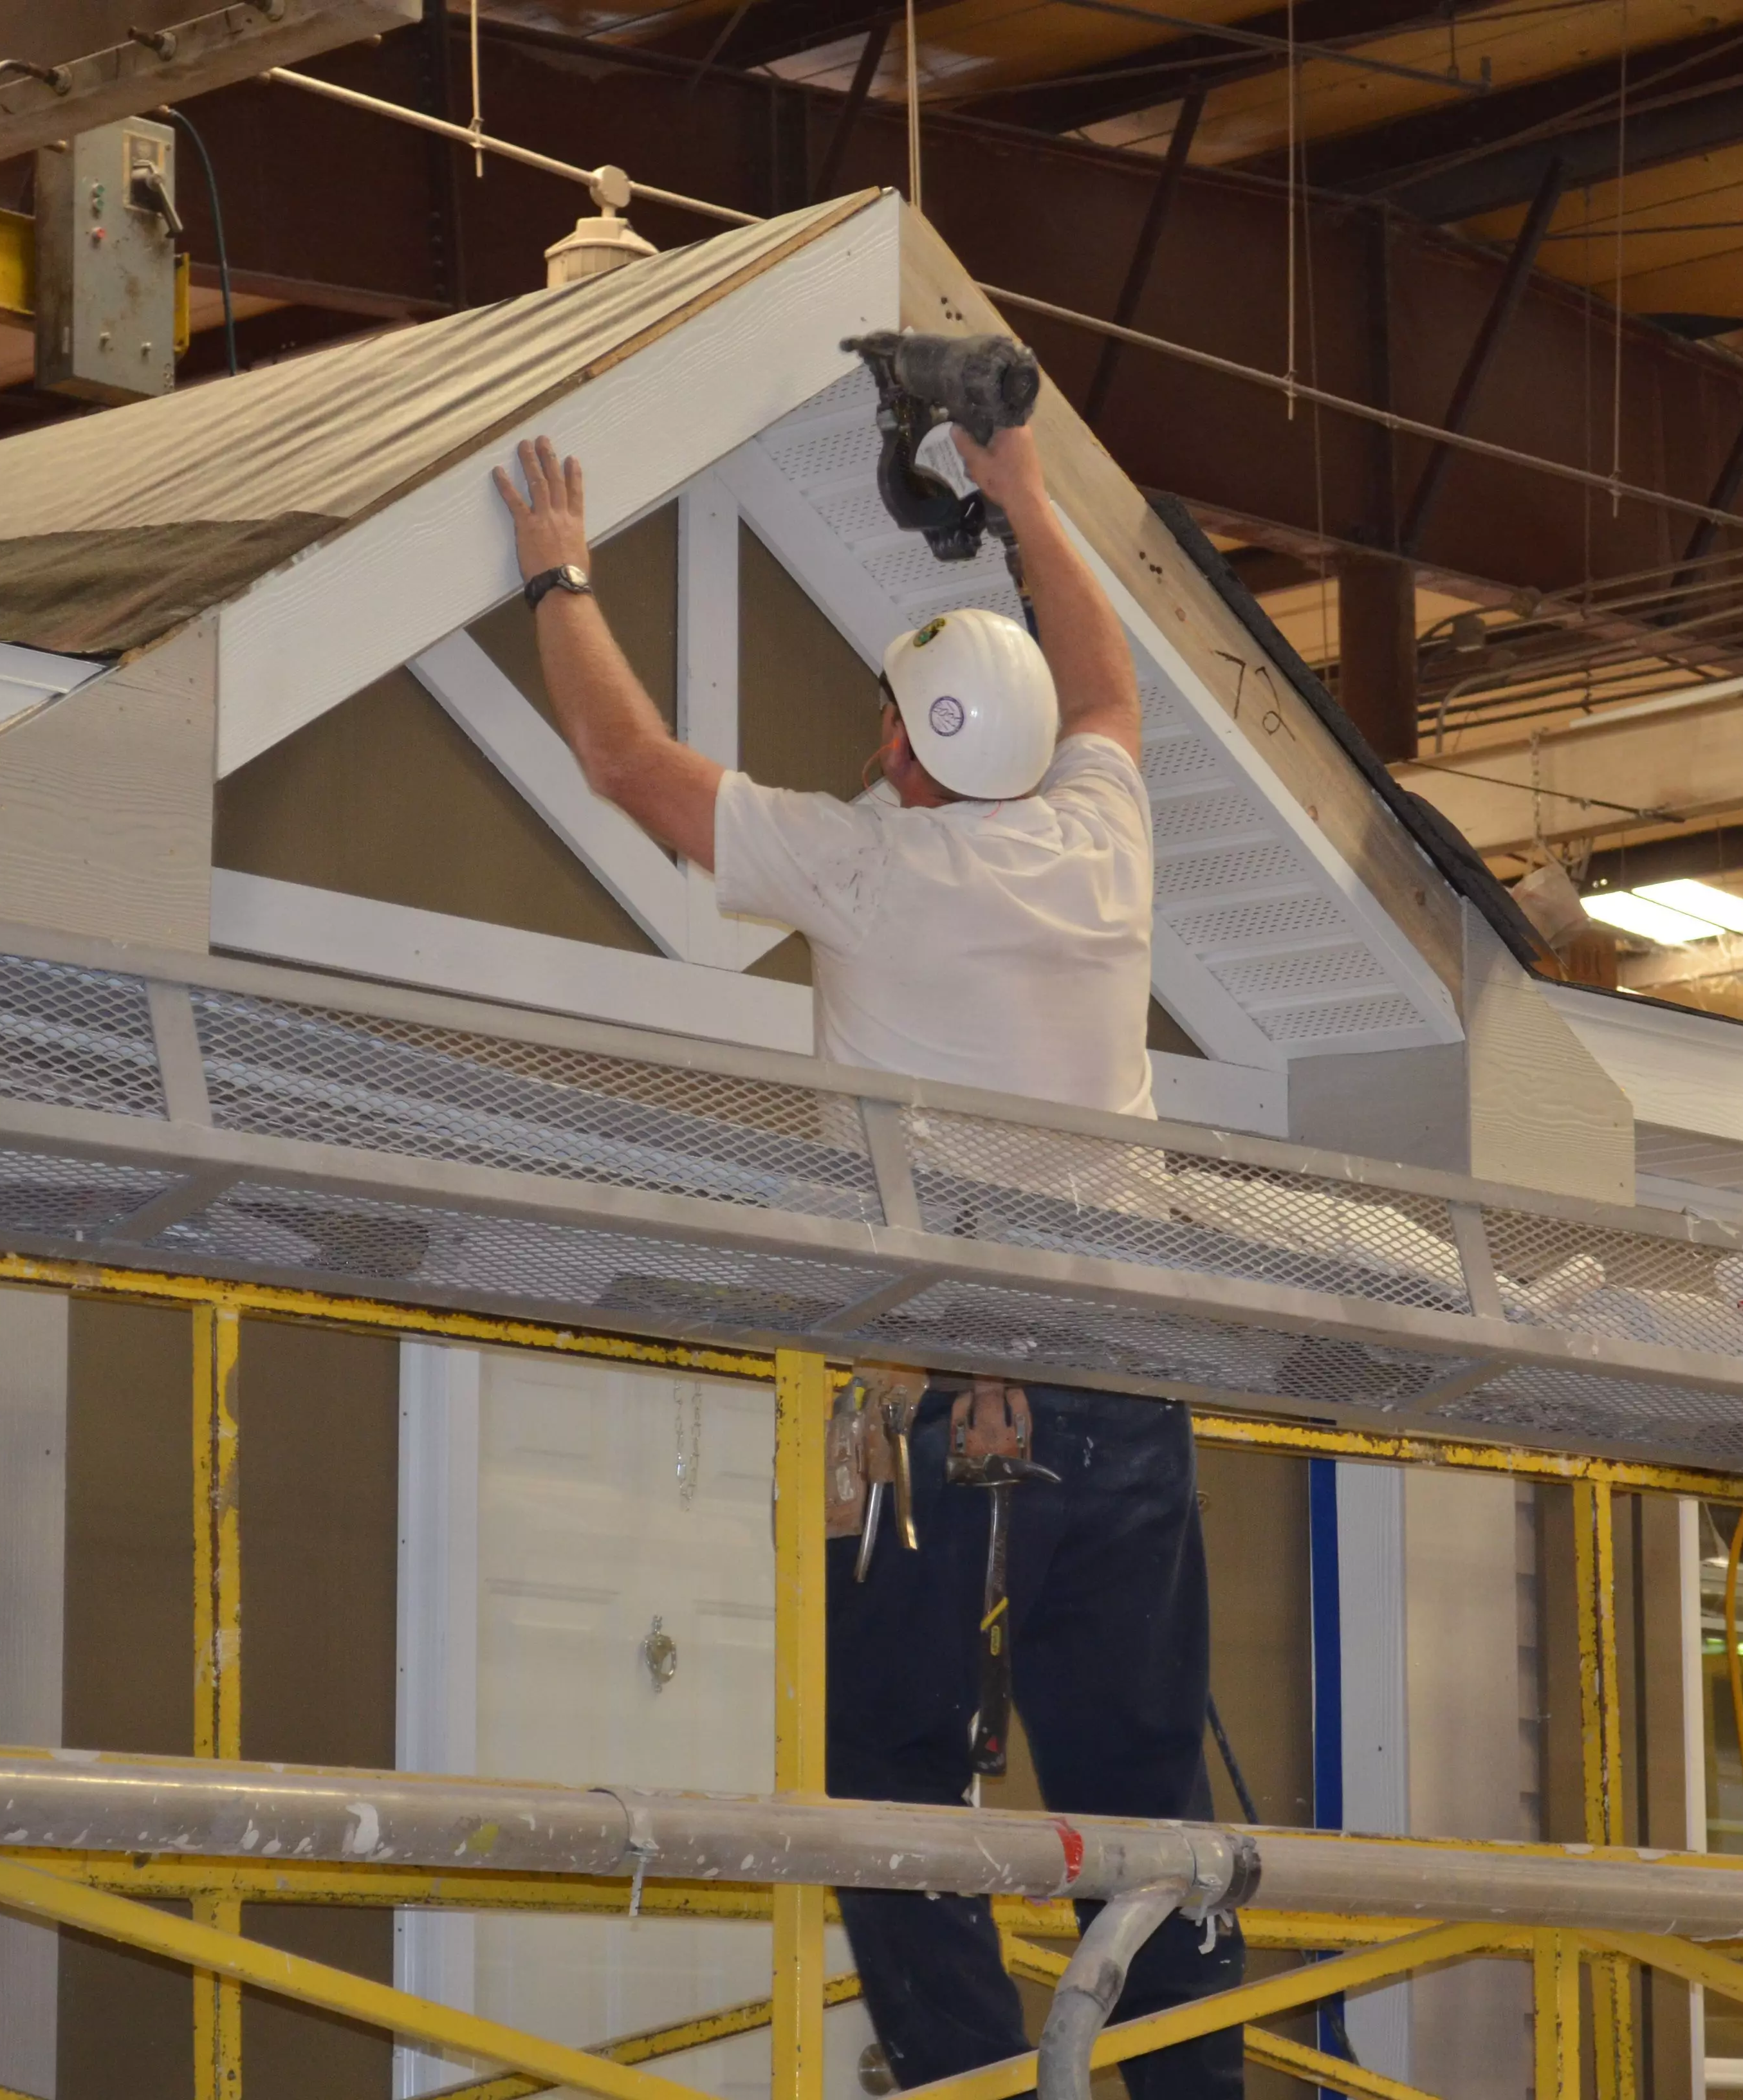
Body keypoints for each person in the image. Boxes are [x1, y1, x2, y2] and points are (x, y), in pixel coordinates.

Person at [495, 425, 1244, 2100]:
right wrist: (1029, 502)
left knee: (889, 1783)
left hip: (951, 1417)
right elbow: (1109, 685)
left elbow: (625, 762)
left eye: (881, 720)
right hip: (1129, 1393)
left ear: (904, 746)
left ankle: (977, 2083)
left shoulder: (873, 868)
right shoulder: (1104, 847)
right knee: (1151, 1818)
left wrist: (556, 567)